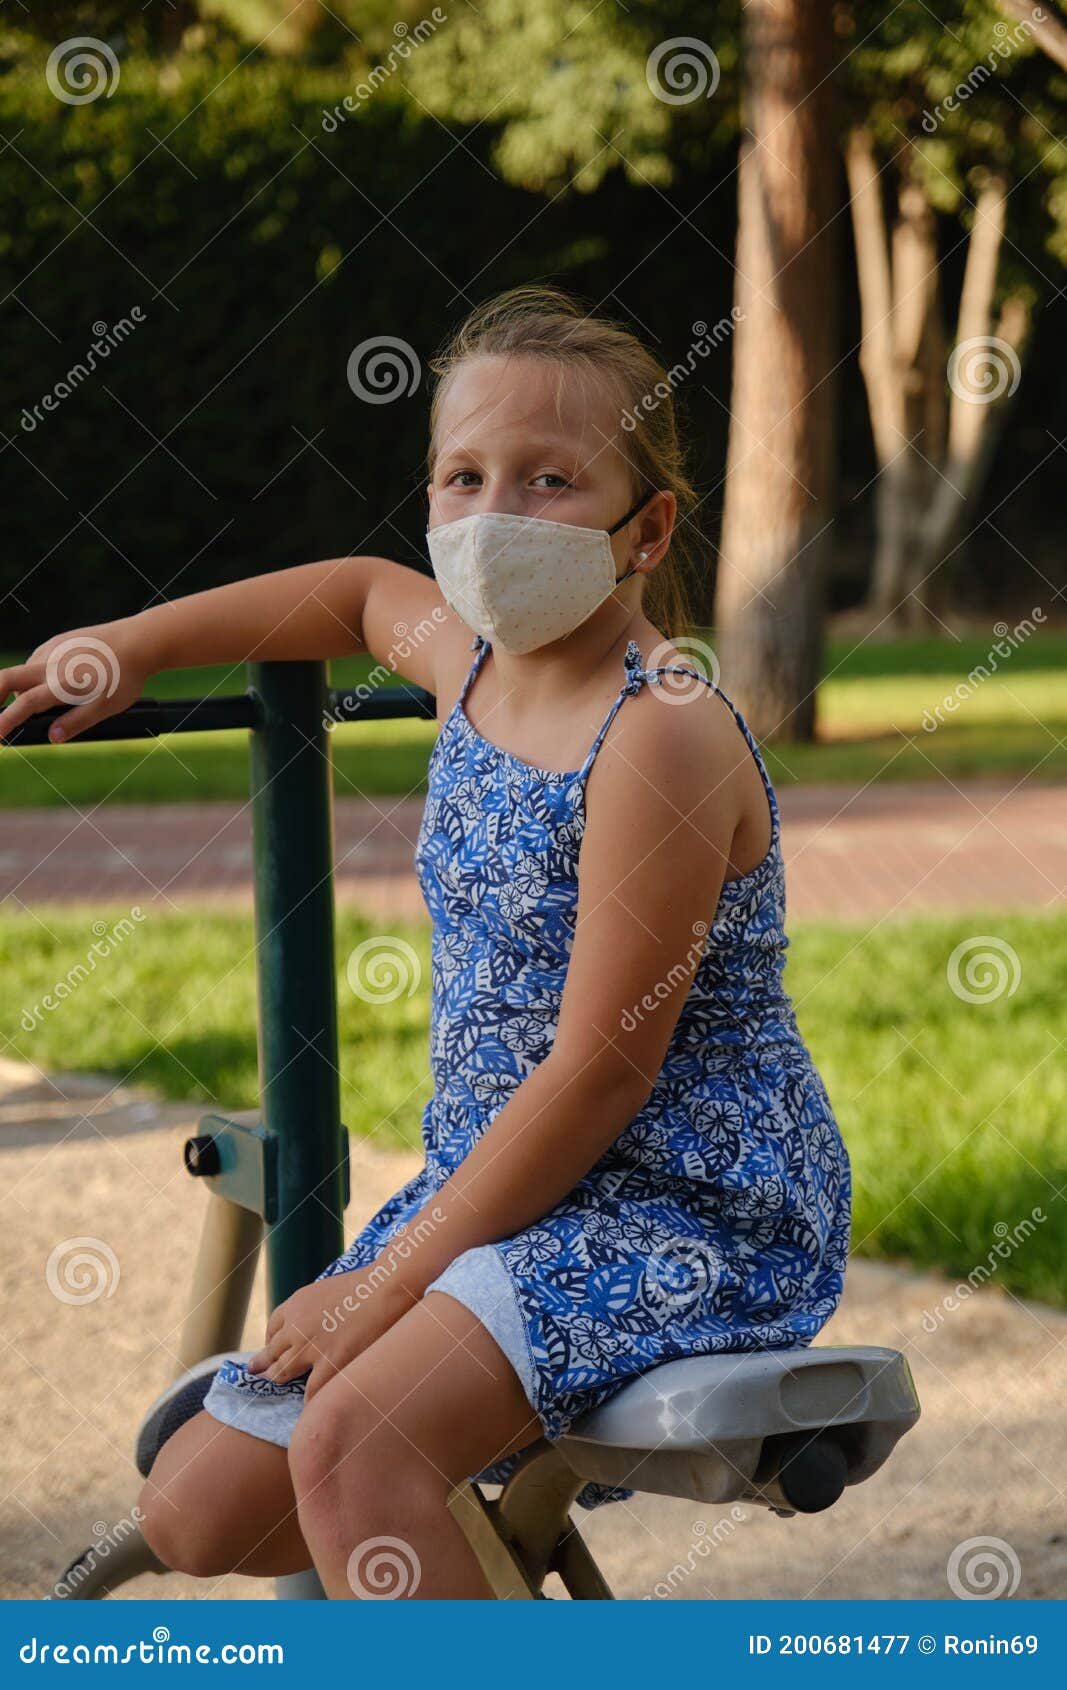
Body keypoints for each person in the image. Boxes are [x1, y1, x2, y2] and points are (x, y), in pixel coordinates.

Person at [0, 287, 851, 1600]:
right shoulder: (467, 662)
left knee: (356, 1445)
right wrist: (131, 645)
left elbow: (600, 1072)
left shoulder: (658, 732)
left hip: (684, 1206)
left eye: (550, 479)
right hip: (506, 1194)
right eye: (463, 476)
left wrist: (387, 1282)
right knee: (200, 1512)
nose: (494, 512)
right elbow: (350, 593)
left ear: (650, 528)